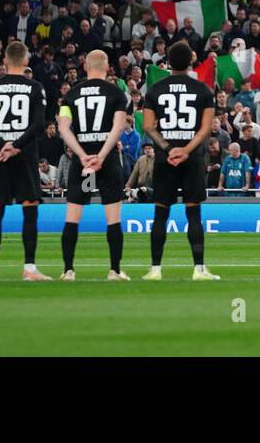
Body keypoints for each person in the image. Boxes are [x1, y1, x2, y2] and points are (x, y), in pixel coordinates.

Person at [139, 41, 218, 281]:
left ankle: (155, 269)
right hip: (191, 159)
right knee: (193, 213)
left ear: (168, 62)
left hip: (165, 160)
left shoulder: (155, 89)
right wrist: (185, 151)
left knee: (160, 213)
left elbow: (148, 127)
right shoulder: (203, 90)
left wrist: (169, 149)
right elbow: (205, 129)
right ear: (191, 61)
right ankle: (199, 269)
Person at [0, 40, 50, 282]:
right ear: (26, 60)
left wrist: (3, 144)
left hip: (0, 156)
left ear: (5, 61)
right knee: (30, 210)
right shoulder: (35, 87)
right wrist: (16, 146)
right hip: (25, 155)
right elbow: (39, 124)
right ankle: (29, 268)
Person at [55, 49, 131, 281]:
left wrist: (82, 155)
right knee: (113, 216)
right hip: (106, 162)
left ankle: (68, 270)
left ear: (85, 67)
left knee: (73, 215)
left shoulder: (71, 95)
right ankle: (114, 270)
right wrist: (102, 155)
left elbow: (63, 128)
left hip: (83, 164)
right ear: (107, 67)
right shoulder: (117, 94)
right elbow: (118, 127)